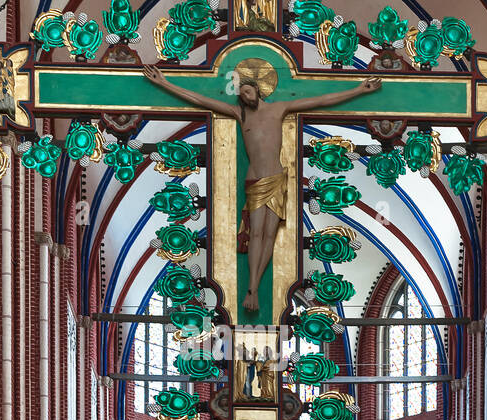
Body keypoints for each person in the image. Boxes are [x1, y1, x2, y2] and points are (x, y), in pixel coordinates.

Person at [142, 63, 381, 312]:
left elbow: (321, 100)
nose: (245, 97)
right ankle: (251, 290)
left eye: (248, 92)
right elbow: (200, 100)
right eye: (242, 94)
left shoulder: (279, 109)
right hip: (255, 181)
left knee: (269, 234)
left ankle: (255, 285)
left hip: (277, 179)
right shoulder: (240, 114)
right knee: (255, 233)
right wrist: (164, 83)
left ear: (258, 91)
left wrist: (359, 90)